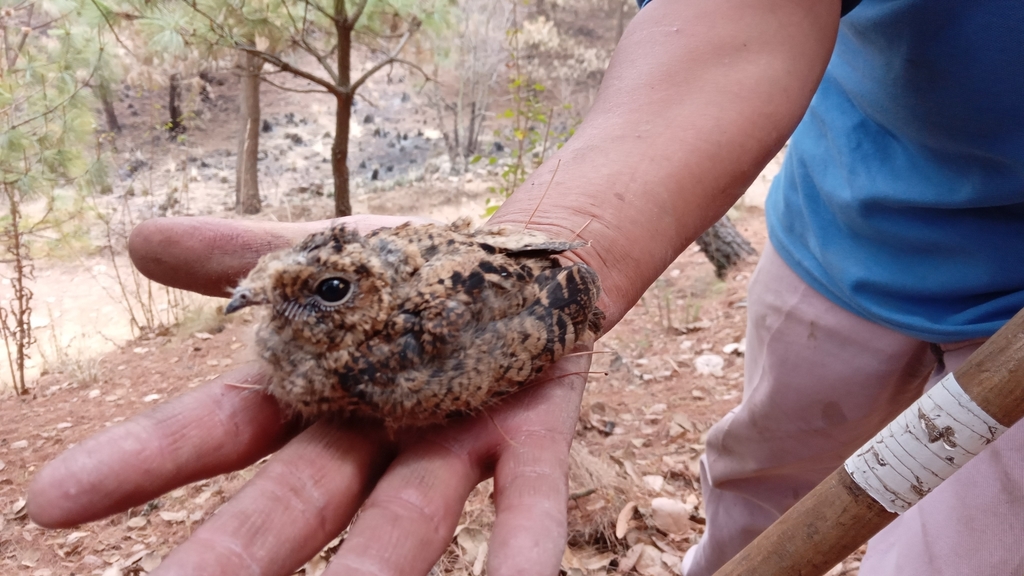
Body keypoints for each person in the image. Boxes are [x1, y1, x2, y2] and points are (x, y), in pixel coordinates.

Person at [28, 0, 1024, 574]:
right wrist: (577, 234)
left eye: (319, 300)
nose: (285, 316)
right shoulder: (369, 329)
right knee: (769, 453)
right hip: (848, 225)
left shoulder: (413, 339)